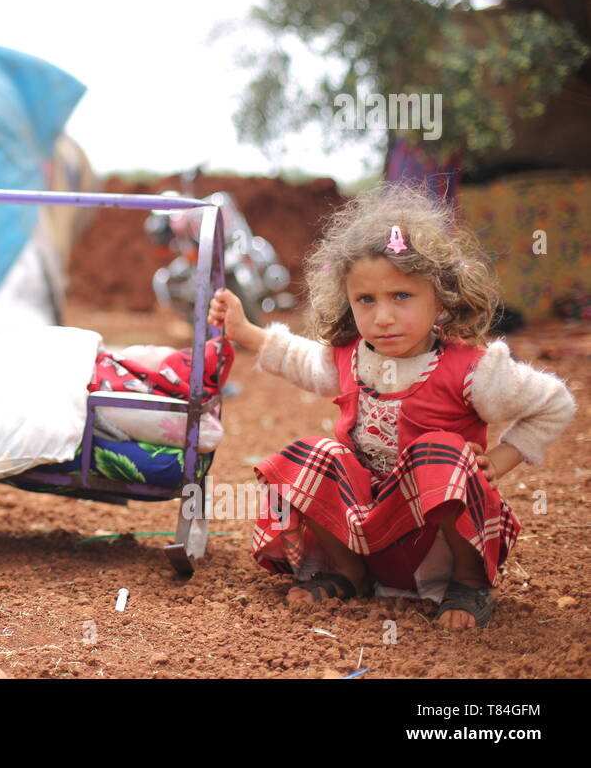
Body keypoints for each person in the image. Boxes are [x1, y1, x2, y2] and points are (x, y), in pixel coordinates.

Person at [208, 183, 575, 630]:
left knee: (438, 452)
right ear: (348, 301)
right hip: (366, 525)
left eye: (401, 296)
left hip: (436, 539)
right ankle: (349, 572)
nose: (383, 317)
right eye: (366, 300)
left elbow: (554, 402)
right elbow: (299, 358)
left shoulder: (474, 370)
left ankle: (468, 583)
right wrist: (245, 331)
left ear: (440, 297)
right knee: (310, 455)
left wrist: (501, 459)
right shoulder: (350, 357)